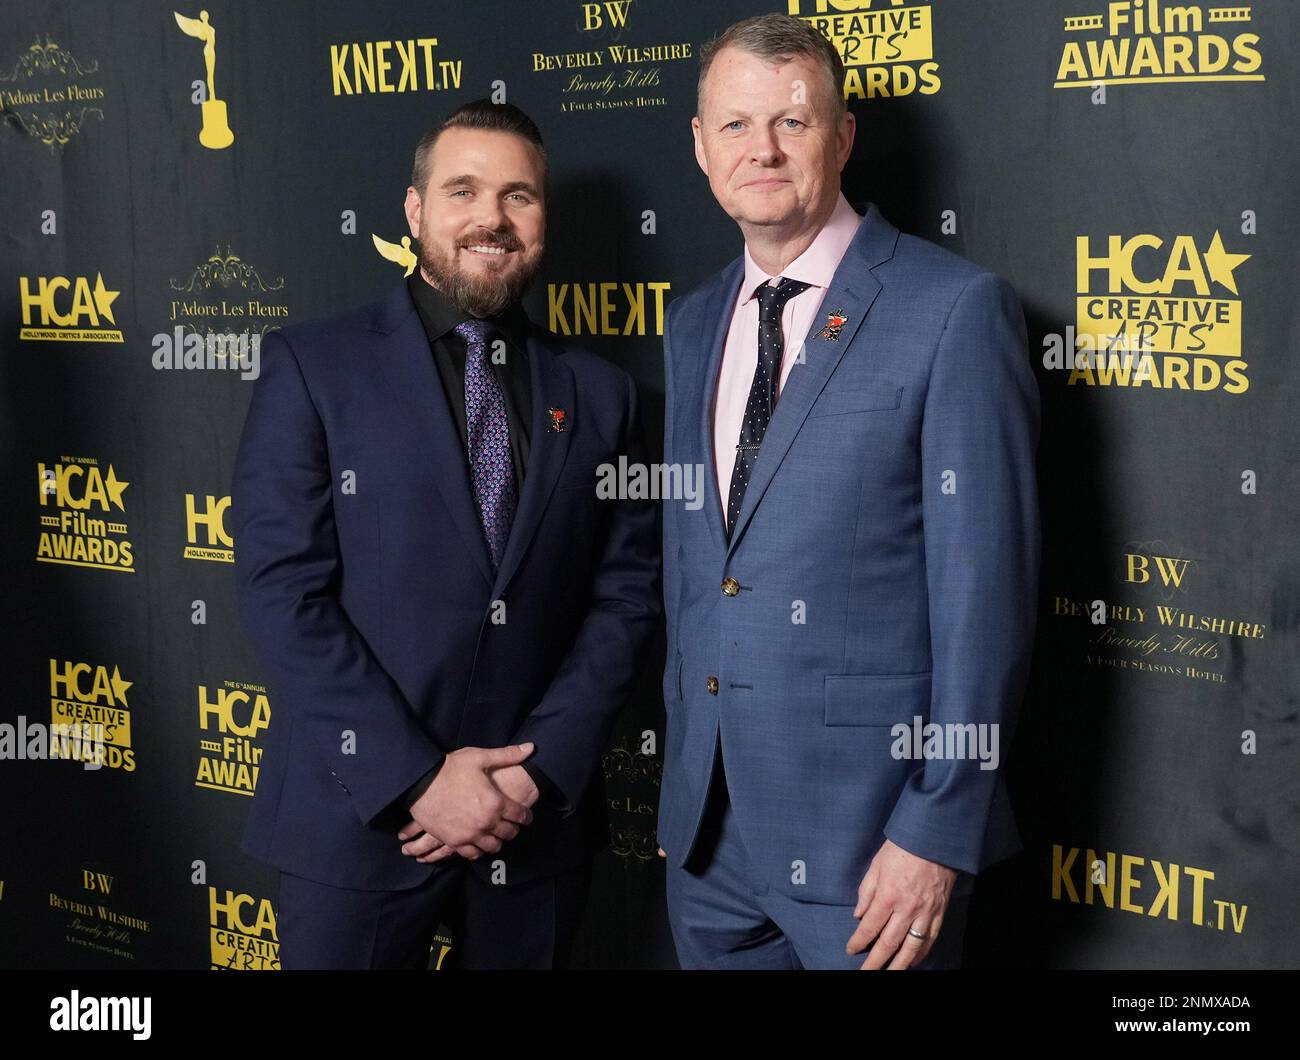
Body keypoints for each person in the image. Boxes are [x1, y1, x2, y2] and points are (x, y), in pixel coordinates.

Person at [232, 99, 660, 969]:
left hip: (533, 826)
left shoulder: (604, 395)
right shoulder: (313, 365)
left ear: (543, 219)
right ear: (415, 210)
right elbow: (285, 592)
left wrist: (528, 777)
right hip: (356, 823)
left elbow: (628, 598)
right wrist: (419, 780)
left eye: (518, 196)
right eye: (461, 190)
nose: (490, 219)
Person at [657, 13, 1041, 970]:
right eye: (736, 125)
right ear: (701, 147)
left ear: (843, 135)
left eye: (792, 121)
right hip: (709, 847)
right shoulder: (694, 321)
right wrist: (679, 791)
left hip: (875, 852)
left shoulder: (952, 309)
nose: (764, 149)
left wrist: (938, 829)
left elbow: (983, 599)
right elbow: (696, 570)